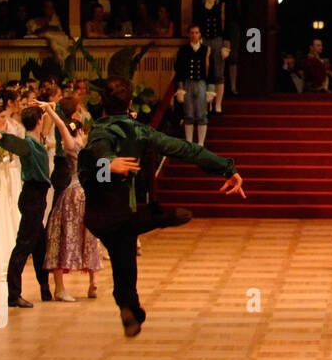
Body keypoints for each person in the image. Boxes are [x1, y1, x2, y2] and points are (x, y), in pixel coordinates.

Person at [78, 77, 246, 336]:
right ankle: (161, 216)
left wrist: (106, 163)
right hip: (118, 213)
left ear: (101, 101)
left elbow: (93, 158)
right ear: (130, 103)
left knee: (124, 264)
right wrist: (226, 168)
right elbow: (185, 149)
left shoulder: (102, 130)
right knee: (130, 233)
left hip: (100, 217)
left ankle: (131, 310)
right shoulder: (133, 132)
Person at [0, 102, 68, 308]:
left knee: (39, 245)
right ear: (38, 121)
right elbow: (14, 144)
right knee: (24, 245)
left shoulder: (38, 141)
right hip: (32, 196)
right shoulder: (29, 143)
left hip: (37, 196)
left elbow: (56, 125)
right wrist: (2, 137)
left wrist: (51, 108)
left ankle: (45, 289)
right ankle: (13, 295)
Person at [43, 117, 102, 302]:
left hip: (73, 194)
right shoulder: (89, 149)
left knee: (63, 235)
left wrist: (50, 111)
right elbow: (102, 176)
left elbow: (61, 126)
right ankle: (92, 281)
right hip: (87, 194)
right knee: (88, 235)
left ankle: (60, 287)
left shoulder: (74, 147)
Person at [174, 24, 213, 145]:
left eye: (196, 32)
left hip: (201, 83)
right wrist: (180, 88)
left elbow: (212, 71)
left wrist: (211, 89)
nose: (194, 35)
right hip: (188, 84)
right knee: (189, 114)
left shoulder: (206, 50)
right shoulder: (183, 50)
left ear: (200, 34)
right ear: (188, 34)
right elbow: (179, 70)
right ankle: (189, 143)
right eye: (192, 33)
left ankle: (200, 144)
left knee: (202, 115)